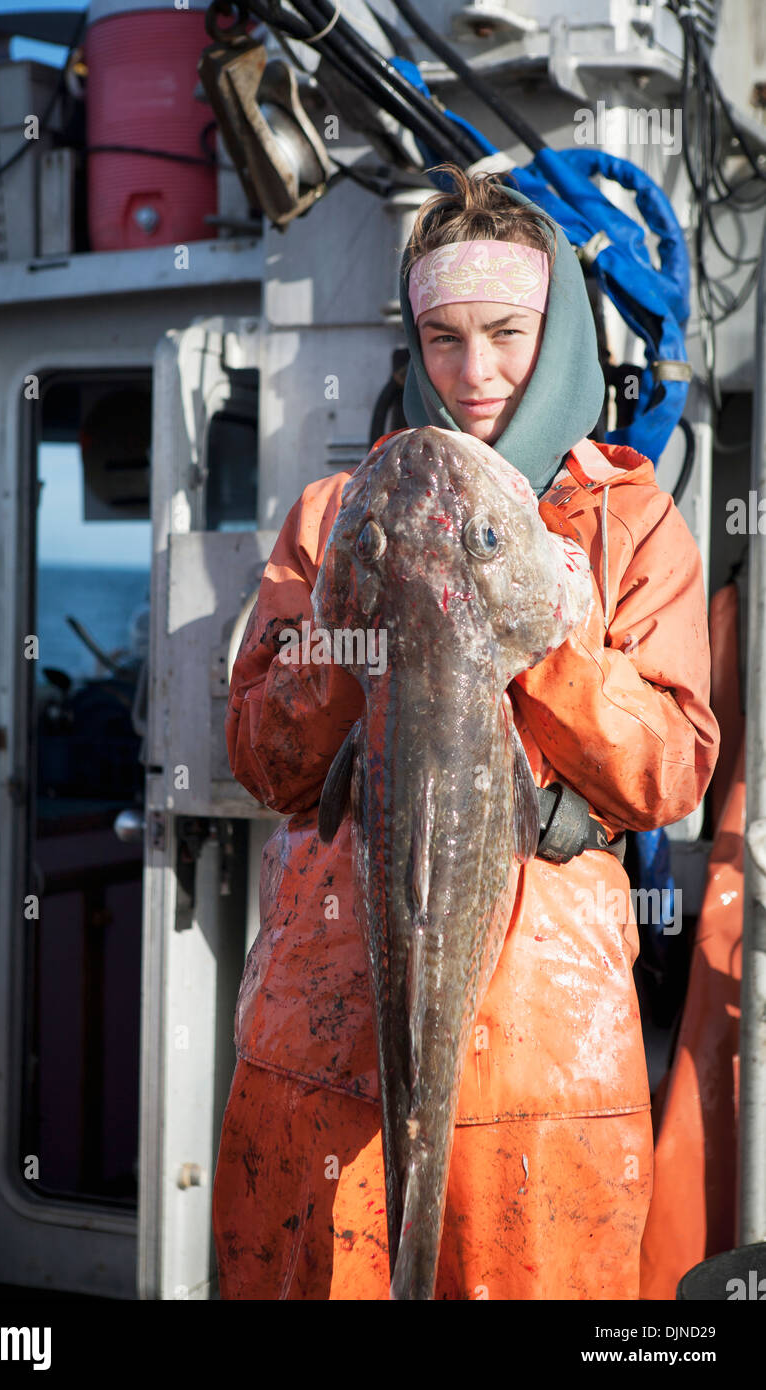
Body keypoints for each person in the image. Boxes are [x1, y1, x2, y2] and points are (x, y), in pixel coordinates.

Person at [212, 164, 720, 1300]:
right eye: (441, 337)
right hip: (319, 1050)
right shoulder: (339, 514)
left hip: (543, 1070)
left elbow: (668, 767)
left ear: (562, 337)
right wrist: (361, 615)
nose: (474, 371)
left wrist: (523, 620)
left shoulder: (627, 523)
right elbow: (265, 760)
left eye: (505, 333)